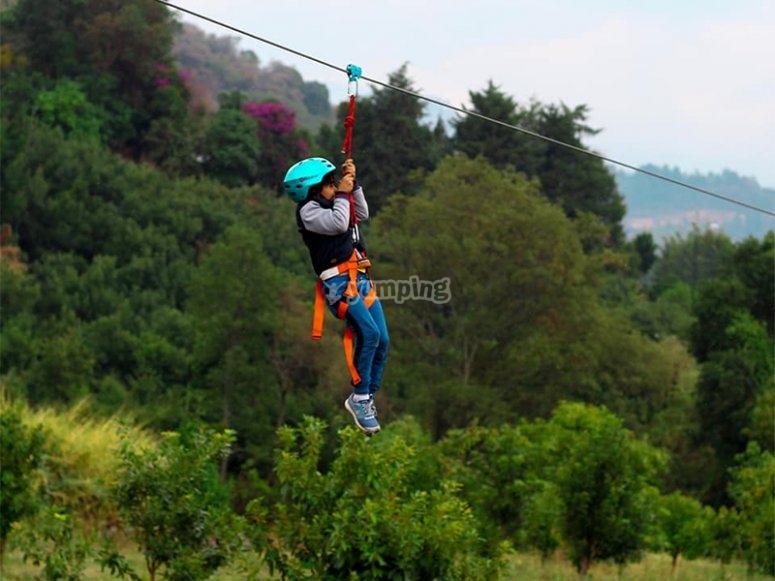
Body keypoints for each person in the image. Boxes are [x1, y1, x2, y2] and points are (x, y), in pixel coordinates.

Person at [283, 157, 389, 435]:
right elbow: (341, 224)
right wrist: (343, 194)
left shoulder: (336, 201)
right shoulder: (309, 212)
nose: (334, 187)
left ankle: (366, 396)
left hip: (359, 278)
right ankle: (360, 396)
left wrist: (354, 184)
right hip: (337, 284)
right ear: (312, 190)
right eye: (329, 184)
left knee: (382, 340)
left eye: (334, 183)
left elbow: (361, 214)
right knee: (368, 334)